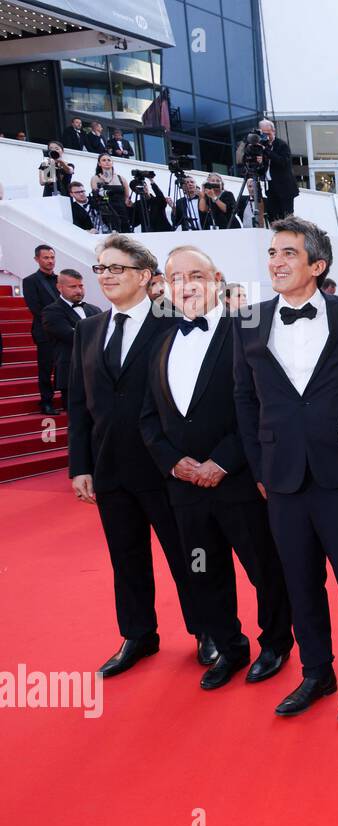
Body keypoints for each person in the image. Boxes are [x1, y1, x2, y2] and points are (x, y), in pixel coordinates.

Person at [232, 216, 338, 719]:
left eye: (288, 254)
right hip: (280, 478)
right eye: (273, 253)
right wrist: (260, 467)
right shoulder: (250, 320)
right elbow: (243, 399)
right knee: (300, 582)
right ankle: (316, 673)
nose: (276, 262)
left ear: (317, 265)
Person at [139, 246, 293, 690]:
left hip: (239, 479)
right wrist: (174, 464)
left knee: (263, 567)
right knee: (204, 571)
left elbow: (263, 405)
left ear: (216, 279)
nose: (185, 286)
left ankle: (276, 643)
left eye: (195, 276)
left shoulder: (246, 332)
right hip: (184, 487)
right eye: (175, 278)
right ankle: (229, 646)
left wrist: (222, 462)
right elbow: (149, 416)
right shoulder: (161, 340)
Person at [68, 235, 207, 677]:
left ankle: (206, 630)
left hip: (165, 467)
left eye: (116, 268)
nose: (106, 276)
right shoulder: (87, 329)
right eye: (101, 269)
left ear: (145, 276)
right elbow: (78, 404)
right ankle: (138, 634)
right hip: (109, 468)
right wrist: (80, 465)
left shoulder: (174, 322)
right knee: (125, 557)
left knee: (188, 554)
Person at [41, 269, 100, 413]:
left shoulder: (95, 310)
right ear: (60, 287)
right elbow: (71, 336)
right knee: (77, 422)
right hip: (71, 374)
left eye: (80, 286)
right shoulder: (51, 311)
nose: (78, 290)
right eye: (73, 287)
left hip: (98, 374)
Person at [22, 245, 60, 414]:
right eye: (46, 258)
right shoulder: (30, 281)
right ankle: (46, 401)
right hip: (44, 331)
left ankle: (66, 398)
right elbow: (35, 308)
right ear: (37, 259)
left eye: (52, 257)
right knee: (45, 367)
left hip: (64, 331)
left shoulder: (61, 280)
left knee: (65, 366)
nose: (50, 261)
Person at [258, 120, 298, 220]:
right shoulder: (262, 145)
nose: (266, 136)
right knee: (273, 216)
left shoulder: (281, 145)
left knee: (286, 216)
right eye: (263, 134)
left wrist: (266, 151)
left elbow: (283, 162)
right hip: (271, 186)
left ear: (274, 131)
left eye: (268, 133)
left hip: (284, 187)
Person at [89, 153, 131, 232]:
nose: (107, 162)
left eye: (109, 160)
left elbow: (126, 196)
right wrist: (105, 183)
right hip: (107, 210)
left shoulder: (121, 178)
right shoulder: (96, 178)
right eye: (104, 160)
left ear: (112, 162)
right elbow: (96, 195)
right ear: (99, 164)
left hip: (122, 209)